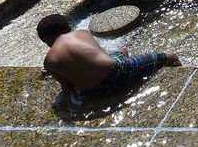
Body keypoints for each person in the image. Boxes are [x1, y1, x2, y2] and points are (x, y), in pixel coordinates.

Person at [37, 13, 180, 109]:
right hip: (118, 72)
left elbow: (68, 88)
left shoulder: (48, 61)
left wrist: (53, 71)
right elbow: (104, 58)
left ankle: (123, 53)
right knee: (169, 56)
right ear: (68, 27)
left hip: (94, 93)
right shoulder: (81, 33)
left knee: (119, 53)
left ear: (45, 40)